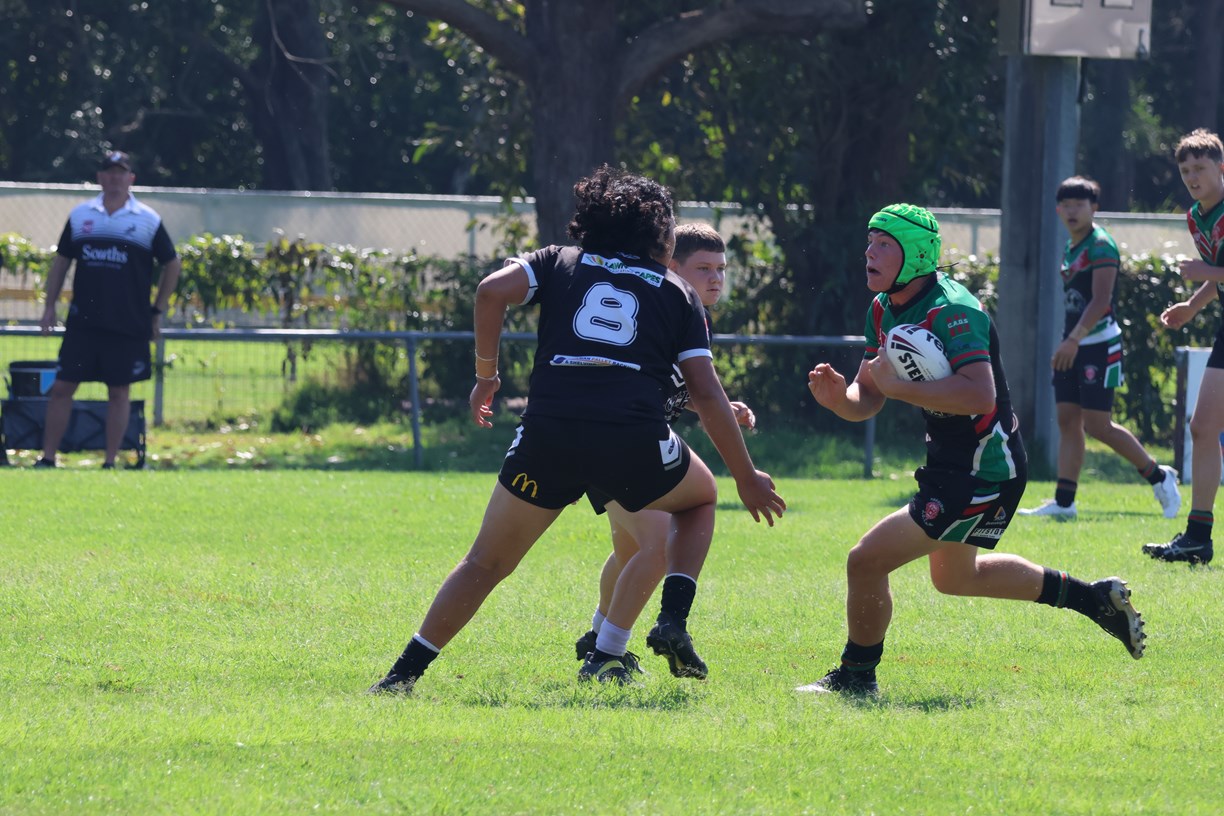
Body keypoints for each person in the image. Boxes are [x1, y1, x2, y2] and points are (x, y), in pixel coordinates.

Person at [367, 166, 785, 694]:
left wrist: (486, 377)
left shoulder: (559, 261)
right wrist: (746, 475)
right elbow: (705, 391)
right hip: (631, 439)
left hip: (550, 434)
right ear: (658, 232)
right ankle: (649, 630)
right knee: (701, 497)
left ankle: (401, 677)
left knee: (486, 563)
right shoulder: (677, 292)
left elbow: (490, 291)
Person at [800, 203, 1145, 696]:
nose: (869, 253)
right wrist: (842, 401)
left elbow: (977, 394)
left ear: (917, 254)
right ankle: (1094, 600)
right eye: (870, 242)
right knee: (957, 577)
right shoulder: (883, 309)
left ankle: (856, 677)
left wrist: (895, 388)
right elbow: (870, 395)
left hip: (985, 467)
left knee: (866, 561)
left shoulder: (954, 310)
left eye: (883, 244)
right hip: (953, 462)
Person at [572, 223, 756, 681]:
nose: (715, 278)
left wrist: (717, 406)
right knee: (660, 546)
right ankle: (606, 655)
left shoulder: (685, 309)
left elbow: (669, 382)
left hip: (601, 438)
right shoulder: (666, 304)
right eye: (703, 268)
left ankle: (597, 635)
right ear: (671, 267)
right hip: (621, 441)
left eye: (721, 269)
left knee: (630, 549)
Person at [1019, 176, 1181, 520]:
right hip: (1072, 343)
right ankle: (1064, 503)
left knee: (1098, 425)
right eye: (1067, 205)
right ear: (1058, 209)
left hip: (1097, 345)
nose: (1073, 211)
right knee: (1067, 419)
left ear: (1095, 208)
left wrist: (1073, 340)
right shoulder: (1071, 245)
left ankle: (1159, 476)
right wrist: (1069, 341)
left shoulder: (1101, 245)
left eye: (1081, 204)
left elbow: (1100, 301)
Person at [36, 151, 180, 469]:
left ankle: (110, 462)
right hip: (83, 323)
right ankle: (47, 458)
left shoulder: (147, 219)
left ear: (131, 179)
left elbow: (172, 264)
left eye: (121, 173)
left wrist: (156, 311)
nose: (114, 178)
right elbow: (61, 263)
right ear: (100, 177)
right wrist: (49, 307)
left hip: (126, 323)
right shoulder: (81, 216)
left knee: (118, 391)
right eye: (108, 172)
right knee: (62, 387)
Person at [1143, 128, 1224, 566]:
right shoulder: (1196, 216)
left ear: (1221, 168)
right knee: (1202, 427)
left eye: (1201, 168)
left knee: (1204, 427)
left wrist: (1205, 273)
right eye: (1185, 170)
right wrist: (1193, 307)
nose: (1192, 177)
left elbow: (1214, 269)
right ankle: (1198, 537)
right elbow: (1216, 275)